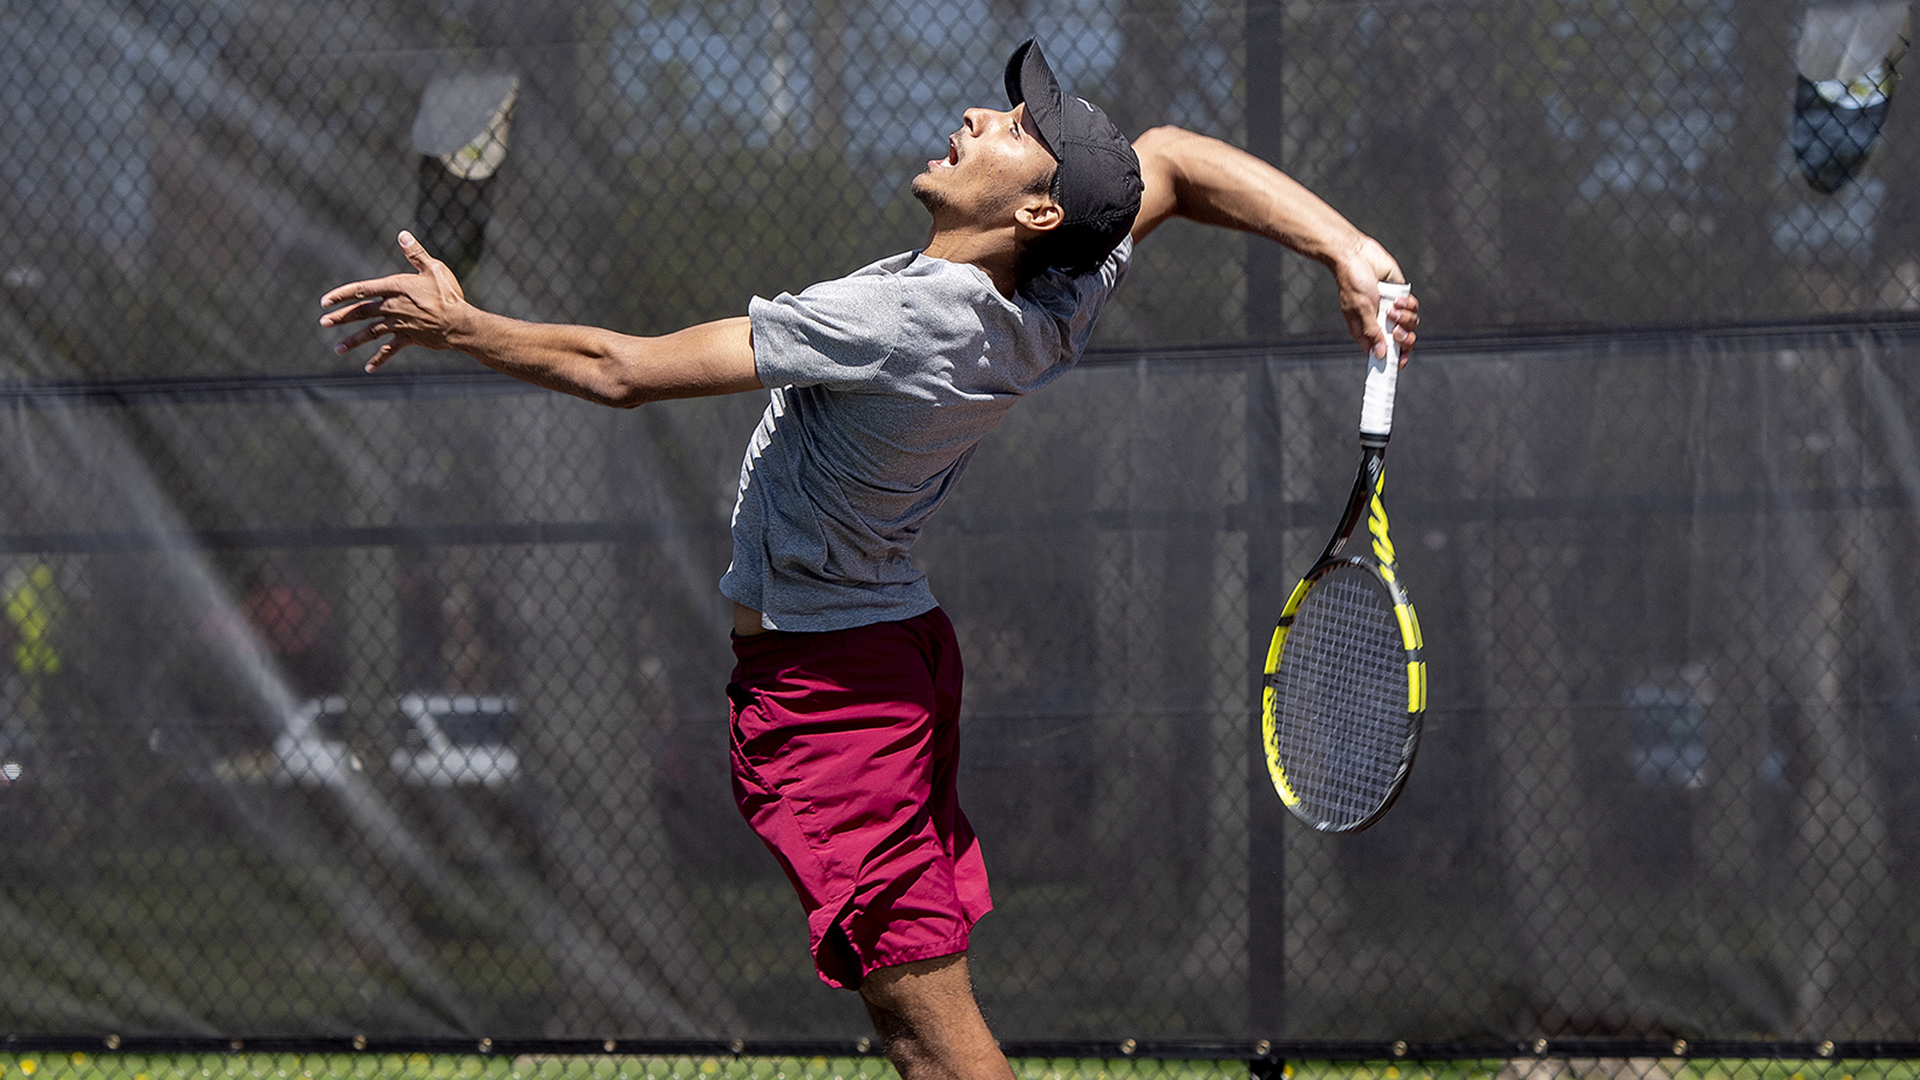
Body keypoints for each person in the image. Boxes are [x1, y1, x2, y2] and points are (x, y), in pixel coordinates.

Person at [320, 39, 1418, 1080]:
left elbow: (622, 372)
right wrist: (1347, 247)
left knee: (932, 1040)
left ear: (1038, 207)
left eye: (1013, 130)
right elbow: (1173, 156)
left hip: (839, 695)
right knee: (915, 1027)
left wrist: (459, 327)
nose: (978, 115)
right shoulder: (1056, 294)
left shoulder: (894, 319)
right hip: (890, 653)